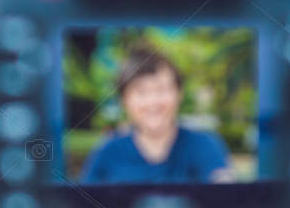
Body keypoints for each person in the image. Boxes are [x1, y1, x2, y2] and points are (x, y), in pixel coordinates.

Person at [78, 47, 234, 184]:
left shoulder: (205, 146)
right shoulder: (107, 152)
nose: (153, 102)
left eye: (162, 89)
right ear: (124, 100)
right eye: (142, 92)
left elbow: (226, 198)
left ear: (179, 94)